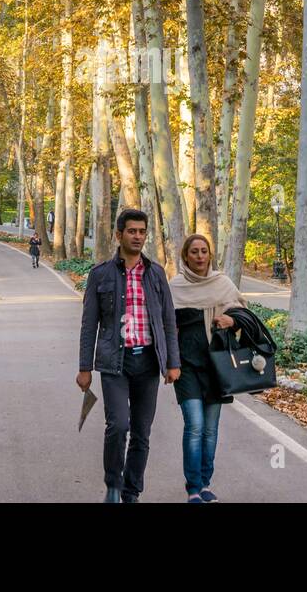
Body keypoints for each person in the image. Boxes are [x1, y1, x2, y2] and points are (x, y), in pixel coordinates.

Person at [77, 208, 180, 502]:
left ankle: (131, 492)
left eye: (142, 231)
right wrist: (85, 367)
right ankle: (113, 484)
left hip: (148, 362)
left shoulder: (156, 273)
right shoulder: (100, 274)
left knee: (141, 433)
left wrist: (173, 362)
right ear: (119, 234)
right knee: (118, 425)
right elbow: (89, 325)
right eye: (132, 231)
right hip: (114, 362)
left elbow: (169, 320)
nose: (137, 236)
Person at [168, 233, 245, 503]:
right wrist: (170, 363)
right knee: (195, 426)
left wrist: (230, 321)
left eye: (204, 251)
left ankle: (205, 483)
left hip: (217, 365)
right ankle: (193, 488)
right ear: (185, 257)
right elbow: (167, 327)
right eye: (194, 252)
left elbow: (242, 314)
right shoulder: (175, 286)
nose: (200, 256)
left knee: (211, 429)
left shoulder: (222, 284)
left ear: (209, 255)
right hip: (186, 366)